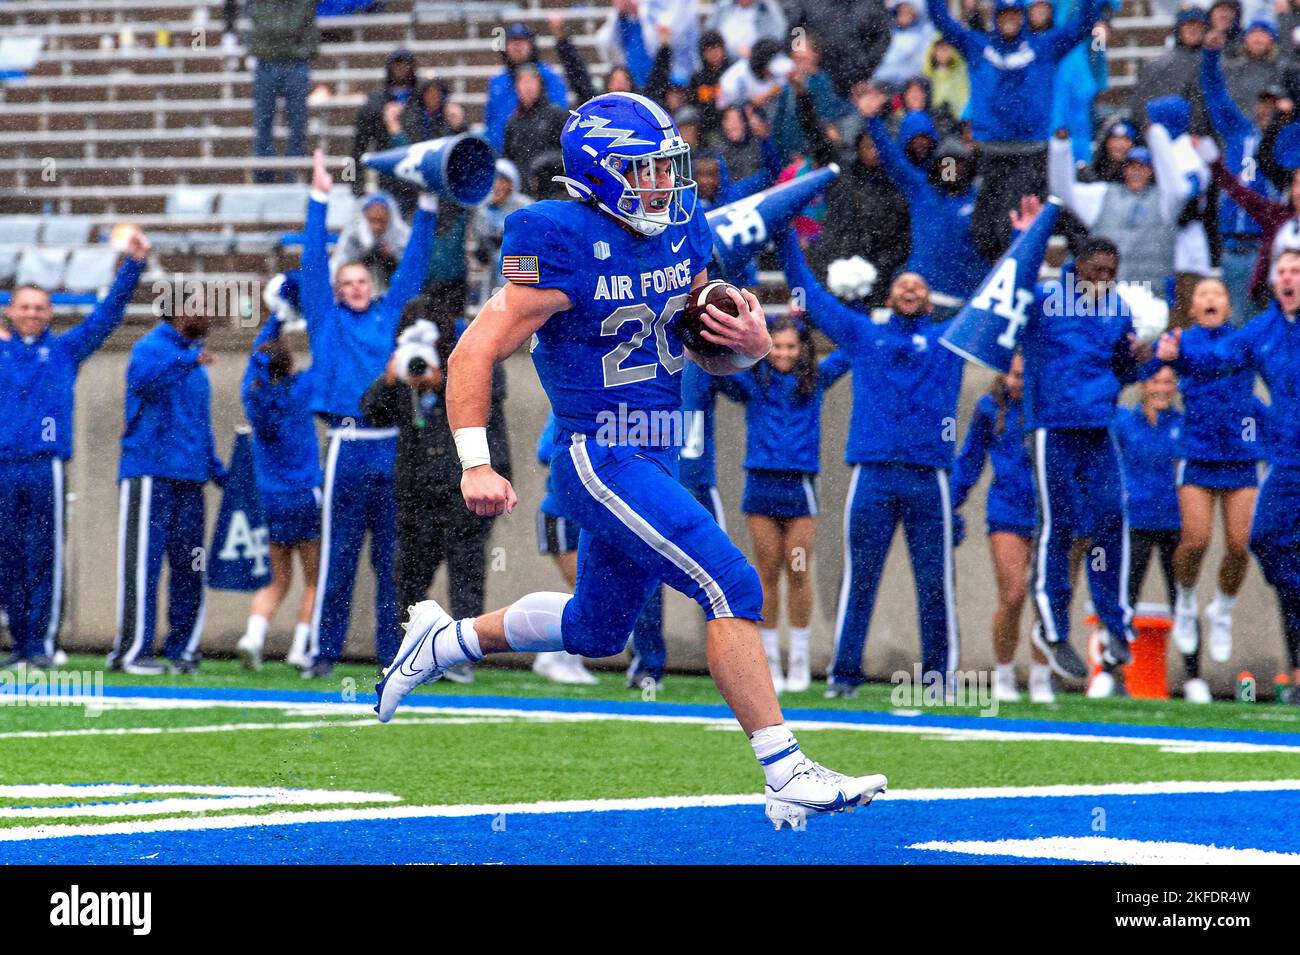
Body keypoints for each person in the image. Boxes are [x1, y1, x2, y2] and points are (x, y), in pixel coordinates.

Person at [375, 92, 887, 829]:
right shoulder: (552, 234)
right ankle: (785, 767)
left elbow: (700, 350)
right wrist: (474, 462)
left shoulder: (680, 222)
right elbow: (474, 349)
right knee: (732, 581)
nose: (662, 184)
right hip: (596, 452)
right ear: (599, 173)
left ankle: (444, 638)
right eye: (643, 170)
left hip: (653, 448)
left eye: (664, 168)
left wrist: (743, 349)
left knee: (596, 629)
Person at [777, 234, 965, 698]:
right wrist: (783, 235)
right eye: (903, 284)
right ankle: (844, 676)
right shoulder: (864, 334)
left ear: (930, 298)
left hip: (930, 475)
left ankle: (940, 678)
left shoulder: (951, 338)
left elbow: (999, 294)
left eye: (919, 285)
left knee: (935, 580)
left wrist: (1024, 239)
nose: (910, 290)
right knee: (859, 577)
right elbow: (809, 293)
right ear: (888, 295)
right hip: (873, 473)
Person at [1007, 196, 1158, 682]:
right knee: (1061, 523)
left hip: (1099, 426)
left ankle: (1115, 625)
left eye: (1111, 272)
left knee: (1114, 516)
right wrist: (1025, 238)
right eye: (1095, 270)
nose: (1103, 279)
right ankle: (1051, 628)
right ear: (1077, 267)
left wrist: (1146, 357)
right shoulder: (1047, 301)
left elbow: (1126, 368)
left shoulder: (1117, 310)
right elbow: (1011, 291)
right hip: (1052, 426)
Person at [299, 149, 437, 679]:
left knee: (391, 560)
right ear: (336, 289)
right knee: (337, 556)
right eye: (347, 284)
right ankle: (323, 653)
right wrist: (319, 198)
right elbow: (313, 260)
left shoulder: (388, 312)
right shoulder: (325, 319)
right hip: (346, 446)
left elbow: (416, 265)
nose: (356, 288)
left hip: (391, 444)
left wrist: (426, 203)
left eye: (362, 282)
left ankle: (391, 655)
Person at [0, 231, 148, 669]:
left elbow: (107, 317)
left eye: (39, 307)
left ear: (50, 313)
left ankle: (42, 645)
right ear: (10, 310)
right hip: (3, 466)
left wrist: (132, 268)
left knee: (44, 556)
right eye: (24, 306)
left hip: (46, 467)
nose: (32, 313)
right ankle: (20, 646)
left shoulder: (65, 350)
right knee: (7, 559)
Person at [1156, 250, 1298, 702]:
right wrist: (1176, 361)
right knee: (1234, 540)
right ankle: (1195, 601)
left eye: (1295, 270)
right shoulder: (1258, 332)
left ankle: (1240, 608)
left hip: (1249, 453)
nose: (1287, 278)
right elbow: (1214, 362)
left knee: (1246, 542)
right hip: (1254, 457)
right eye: (1281, 271)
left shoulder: (1252, 331)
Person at [361, 301, 511, 686]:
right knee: (408, 575)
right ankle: (409, 654)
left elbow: (490, 390)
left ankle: (459, 656)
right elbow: (370, 411)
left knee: (466, 574)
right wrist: (392, 378)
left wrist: (440, 380)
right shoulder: (409, 363)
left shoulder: (473, 352)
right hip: (415, 489)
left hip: (464, 487)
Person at [717, 313, 851, 694]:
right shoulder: (754, 381)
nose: (785, 354)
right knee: (767, 570)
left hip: (799, 488)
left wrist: (816, 313)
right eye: (778, 346)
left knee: (797, 567)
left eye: (793, 346)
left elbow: (852, 348)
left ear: (804, 348)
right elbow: (719, 368)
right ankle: (770, 658)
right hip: (760, 487)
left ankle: (800, 657)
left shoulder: (817, 380)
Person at [926, 0, 1102, 259]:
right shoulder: (978, 46)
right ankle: (997, 279)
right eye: (1005, 14)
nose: (1010, 20)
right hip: (991, 152)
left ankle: (1073, 269)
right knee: (985, 230)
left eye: (1015, 15)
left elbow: (1083, 25)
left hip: (1032, 152)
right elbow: (942, 22)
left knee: (1028, 222)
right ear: (995, 17)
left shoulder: (1044, 46)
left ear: (1023, 17)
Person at [109, 303, 226, 675]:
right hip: (151, 472)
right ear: (175, 312)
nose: (206, 313)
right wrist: (188, 362)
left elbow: (200, 425)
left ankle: (183, 649)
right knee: (143, 566)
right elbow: (143, 382)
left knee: (190, 565)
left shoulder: (194, 362)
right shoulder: (150, 347)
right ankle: (132, 651)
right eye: (197, 307)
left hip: (190, 478)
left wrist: (219, 471)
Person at [1162, 277, 1264, 663]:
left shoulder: (1244, 340)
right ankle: (1185, 600)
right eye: (1202, 294)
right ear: (1191, 308)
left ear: (1228, 306)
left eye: (1218, 293)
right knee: (1196, 541)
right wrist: (1163, 352)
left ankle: (1222, 608)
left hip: (1240, 453)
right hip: (1198, 452)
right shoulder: (1181, 341)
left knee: (1240, 544)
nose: (1210, 299)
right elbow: (1146, 364)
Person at [951, 355, 1056, 703]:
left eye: (1026, 376)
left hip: (1048, 513)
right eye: (1014, 375)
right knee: (1012, 596)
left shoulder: (1051, 407)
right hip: (1007, 511)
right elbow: (970, 460)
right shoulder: (989, 408)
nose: (1018, 383)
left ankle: (1041, 677)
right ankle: (1005, 672)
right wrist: (950, 503)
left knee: (1047, 600)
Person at [236, 311, 321, 672]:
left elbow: (257, 362)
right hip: (304, 494)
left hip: (268, 498)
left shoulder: (254, 399)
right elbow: (329, 352)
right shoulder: (302, 391)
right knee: (315, 579)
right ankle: (301, 648)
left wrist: (275, 319)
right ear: (289, 364)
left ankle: (253, 637)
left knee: (277, 578)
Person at [1111, 366, 1203, 699]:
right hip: (1135, 520)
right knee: (1125, 597)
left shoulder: (1184, 422)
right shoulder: (1124, 421)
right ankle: (1112, 672)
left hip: (1175, 523)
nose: (1162, 388)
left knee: (1182, 598)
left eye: (1168, 382)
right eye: (1156, 381)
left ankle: (1194, 677)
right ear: (1144, 385)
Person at [857, 83, 987, 317]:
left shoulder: (981, 199)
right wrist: (872, 121)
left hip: (966, 303)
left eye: (957, 165)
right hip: (922, 299)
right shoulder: (922, 191)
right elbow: (892, 158)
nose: (951, 171)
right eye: (945, 165)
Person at [530, 413, 606, 686]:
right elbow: (544, 452)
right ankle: (550, 656)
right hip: (561, 513)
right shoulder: (567, 408)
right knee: (581, 587)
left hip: (592, 515)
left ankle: (569, 657)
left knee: (593, 592)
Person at [243, 0, 318, 184]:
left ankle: (293, 175)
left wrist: (297, 46)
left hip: (295, 60)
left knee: (298, 123)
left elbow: (298, 23)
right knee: (263, 123)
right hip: (268, 60)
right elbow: (266, 24)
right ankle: (264, 176)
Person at [482, 23, 568, 153]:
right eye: (513, 42)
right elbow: (490, 119)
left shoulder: (548, 75)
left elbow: (560, 113)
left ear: (531, 45)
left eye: (522, 42)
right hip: (504, 154)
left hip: (541, 154)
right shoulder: (497, 81)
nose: (517, 47)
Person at [350, 48, 418, 200]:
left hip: (419, 177)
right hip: (388, 177)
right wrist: (354, 186)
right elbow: (357, 148)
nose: (401, 69)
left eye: (405, 65)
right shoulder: (375, 101)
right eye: (397, 65)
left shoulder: (421, 98)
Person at [466, 160, 533, 305]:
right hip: (493, 277)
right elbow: (479, 249)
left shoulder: (525, 206)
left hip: (520, 273)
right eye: (493, 181)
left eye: (503, 180)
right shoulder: (482, 209)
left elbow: (533, 248)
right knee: (496, 308)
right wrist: (482, 251)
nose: (497, 185)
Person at [329, 193, 410, 296]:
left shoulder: (401, 236)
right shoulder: (354, 236)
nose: (377, 226)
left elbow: (409, 269)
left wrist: (391, 256)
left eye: (381, 220)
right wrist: (367, 254)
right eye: (373, 220)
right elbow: (341, 266)